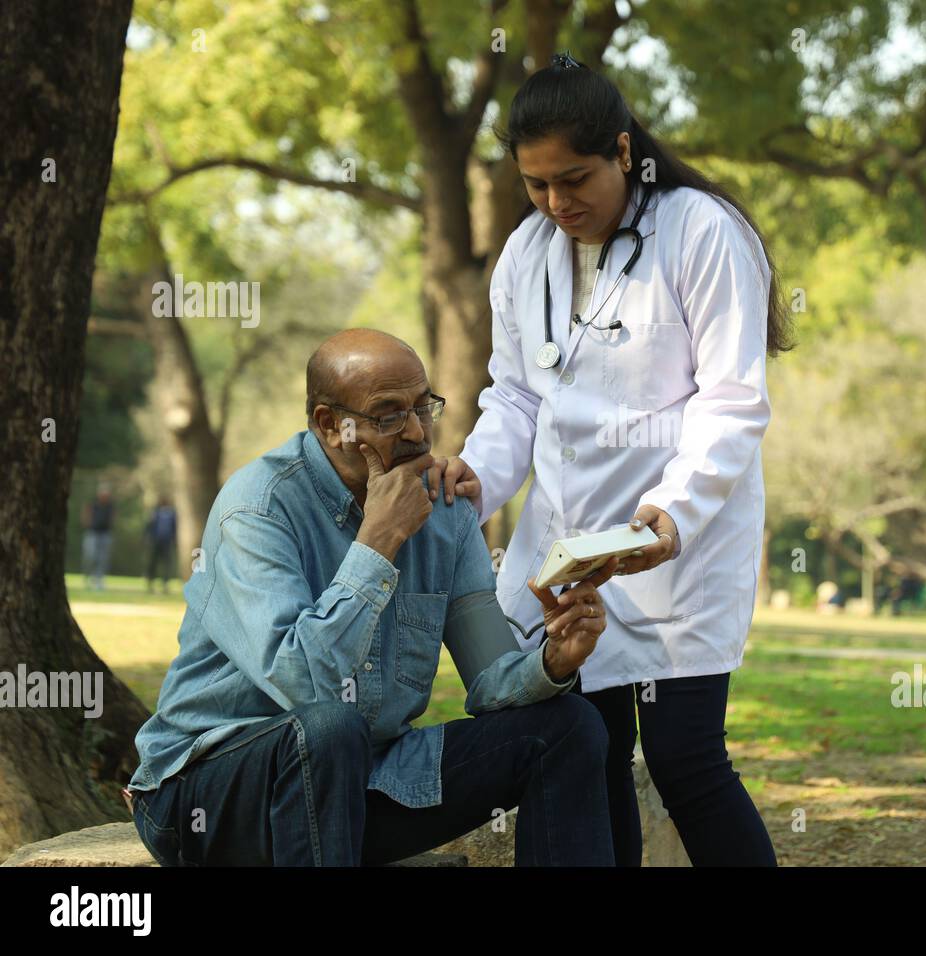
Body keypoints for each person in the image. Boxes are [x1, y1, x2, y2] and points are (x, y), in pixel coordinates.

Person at [433, 53, 795, 866]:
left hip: (676, 547)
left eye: (575, 178)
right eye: (536, 185)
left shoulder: (703, 232)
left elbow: (732, 400)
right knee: (586, 757)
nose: (557, 204)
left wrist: (674, 513)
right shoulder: (525, 255)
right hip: (568, 547)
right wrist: (477, 477)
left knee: (685, 761)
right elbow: (517, 398)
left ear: (625, 152)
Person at [124, 329, 619, 866]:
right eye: (388, 415)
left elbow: (490, 679)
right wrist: (378, 541)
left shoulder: (445, 509)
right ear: (329, 424)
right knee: (329, 730)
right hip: (208, 795)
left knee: (569, 725)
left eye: (422, 408)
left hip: (364, 783)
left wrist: (552, 660)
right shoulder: (258, 508)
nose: (414, 431)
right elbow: (304, 685)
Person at [81, 483, 114, 591]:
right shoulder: (93, 505)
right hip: (92, 533)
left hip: (105, 534)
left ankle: (99, 580)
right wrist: (88, 524)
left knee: (102, 559)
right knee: (90, 556)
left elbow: (112, 519)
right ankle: (88, 577)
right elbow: (85, 516)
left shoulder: (110, 506)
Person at [143, 494, 177, 593]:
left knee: (166, 563)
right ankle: (150, 582)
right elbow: (149, 526)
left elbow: (174, 528)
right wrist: (147, 537)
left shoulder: (171, 514)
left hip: (166, 541)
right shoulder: (155, 513)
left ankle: (165, 583)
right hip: (156, 540)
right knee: (153, 563)